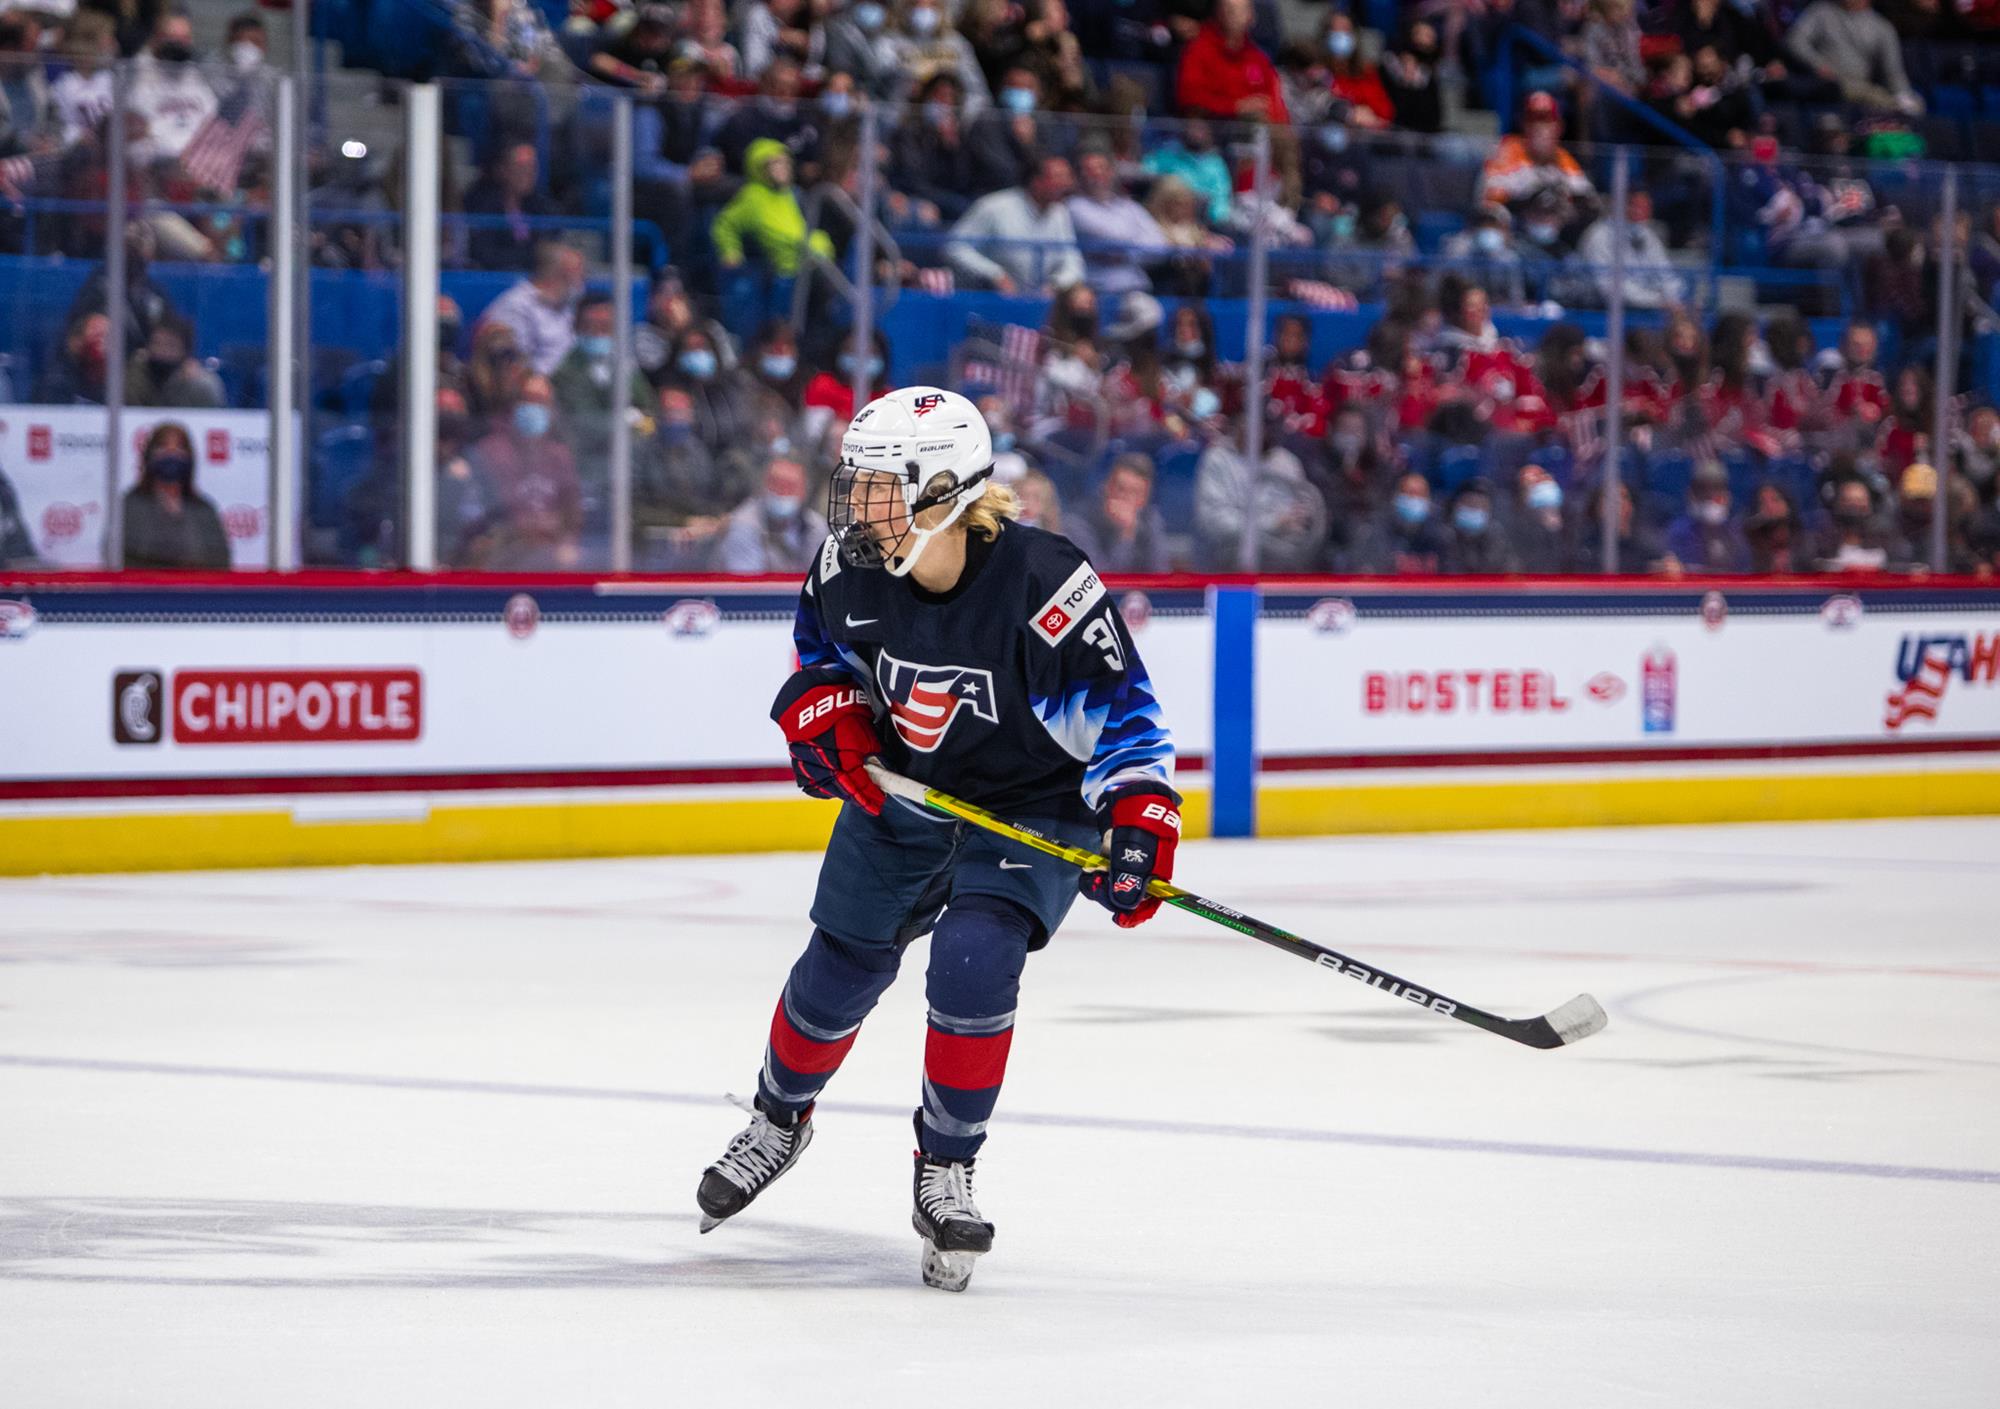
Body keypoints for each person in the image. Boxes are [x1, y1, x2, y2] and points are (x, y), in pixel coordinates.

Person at [695, 385, 1178, 1294]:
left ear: (947, 489)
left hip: (1031, 807)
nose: (857, 505)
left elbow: (1125, 721)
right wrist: (823, 710)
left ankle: (946, 1167)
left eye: (881, 486)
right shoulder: (847, 568)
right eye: (858, 483)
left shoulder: (1046, 586)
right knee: (838, 965)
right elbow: (822, 655)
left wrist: (1139, 819)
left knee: (974, 957)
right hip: (913, 795)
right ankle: (777, 1120)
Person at [944, 152, 1084, 295]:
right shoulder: (994, 207)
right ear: (1035, 181)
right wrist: (994, 274)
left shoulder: (1060, 213)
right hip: (990, 299)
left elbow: (1072, 261)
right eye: (1058, 177)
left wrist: (1056, 284)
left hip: (1041, 304)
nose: (1067, 184)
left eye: (1068, 177)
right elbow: (954, 247)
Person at [1478, 93, 1597, 250]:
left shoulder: (1563, 158)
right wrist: (1532, 193)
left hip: (1553, 234)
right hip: (1513, 234)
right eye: (1533, 119)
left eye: (1547, 120)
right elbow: (1491, 199)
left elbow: (1587, 199)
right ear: (1524, 124)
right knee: (1491, 242)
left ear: (1559, 126)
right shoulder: (1507, 149)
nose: (1540, 127)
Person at [712, 137, 836, 278]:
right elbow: (725, 224)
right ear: (761, 167)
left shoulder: (791, 193)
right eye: (776, 163)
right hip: (785, 269)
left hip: (810, 260)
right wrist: (730, 252)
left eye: (786, 163)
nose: (783, 169)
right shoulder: (752, 196)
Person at [121, 422, 231, 570]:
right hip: (144, 588)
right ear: (149, 456)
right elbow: (124, 555)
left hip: (196, 589)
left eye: (179, 447)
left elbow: (221, 560)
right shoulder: (131, 504)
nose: (171, 453)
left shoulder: (204, 509)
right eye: (163, 446)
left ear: (189, 457)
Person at [1788, 0, 1922, 114]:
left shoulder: (1882, 27)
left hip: (1860, 85)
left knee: (1915, 104)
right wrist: (1817, 64)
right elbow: (1795, 41)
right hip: (1826, 83)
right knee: (1875, 97)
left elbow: (1893, 71)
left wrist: (1903, 95)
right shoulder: (1821, 12)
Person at [479, 241, 586, 376]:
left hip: (571, 383)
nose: (583, 278)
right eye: (577, 271)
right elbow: (515, 366)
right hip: (538, 387)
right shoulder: (516, 306)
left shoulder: (567, 305)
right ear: (557, 273)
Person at [714, 447, 828, 573]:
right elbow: (749, 587)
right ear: (763, 485)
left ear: (803, 492)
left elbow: (821, 578)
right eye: (776, 484)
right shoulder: (742, 525)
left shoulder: (816, 527)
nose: (782, 493)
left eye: (790, 486)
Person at [1176, 0, 1287, 123]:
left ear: (1251, 16)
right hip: (1216, 125)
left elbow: (1273, 101)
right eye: (1228, 9)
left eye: (1240, 10)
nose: (1233, 14)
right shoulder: (1198, 50)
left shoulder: (1258, 58)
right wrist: (1235, 107)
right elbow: (1191, 99)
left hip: (1255, 128)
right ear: (1218, 12)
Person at [1064, 453, 1171, 573]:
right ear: (1106, 487)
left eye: (1135, 492)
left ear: (1144, 499)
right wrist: (1126, 534)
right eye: (1120, 488)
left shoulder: (1150, 518)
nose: (1124, 497)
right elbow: (1098, 581)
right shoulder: (1078, 522)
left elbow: (1160, 573)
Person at [462, 142, 557, 272]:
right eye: (521, 168)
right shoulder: (482, 204)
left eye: (532, 168)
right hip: (495, 278)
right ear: (502, 170)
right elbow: (484, 254)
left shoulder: (543, 206)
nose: (528, 174)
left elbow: (550, 246)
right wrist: (531, 255)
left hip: (536, 279)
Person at [124, 313, 224, 408]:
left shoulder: (200, 384)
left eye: (170, 346)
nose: (162, 350)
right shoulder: (133, 375)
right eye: (157, 343)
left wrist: (180, 384)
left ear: (185, 351)